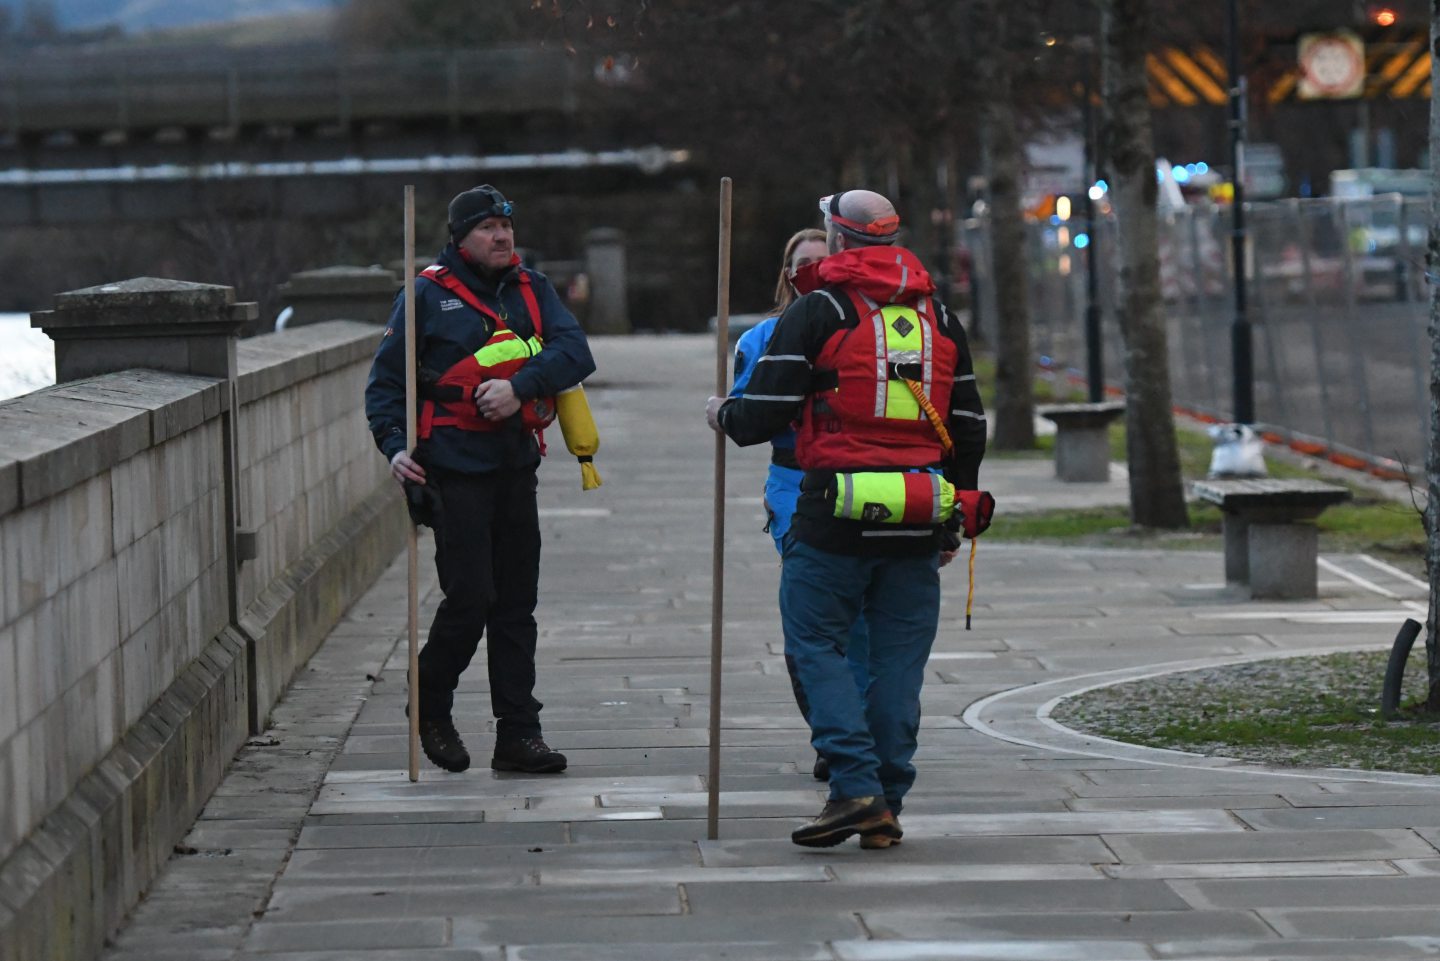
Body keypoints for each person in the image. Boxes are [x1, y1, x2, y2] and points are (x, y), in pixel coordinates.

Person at [707, 189, 987, 849]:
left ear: (836, 242)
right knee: (897, 660)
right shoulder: (940, 318)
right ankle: (886, 800)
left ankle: (856, 785)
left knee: (817, 643)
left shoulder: (817, 311)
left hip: (834, 510)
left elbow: (760, 416)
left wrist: (720, 411)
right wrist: (956, 510)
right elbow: (969, 427)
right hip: (920, 510)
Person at [365, 184, 595, 775]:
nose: (502, 237)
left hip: (515, 463)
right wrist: (393, 449)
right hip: (452, 466)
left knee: (517, 605)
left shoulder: (533, 289)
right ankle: (431, 699)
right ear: (460, 238)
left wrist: (520, 386)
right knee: (471, 599)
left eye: (506, 227)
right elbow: (385, 385)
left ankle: (519, 734)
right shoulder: (424, 295)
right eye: (488, 228)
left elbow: (575, 352)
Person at [730, 227, 867, 783]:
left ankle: (854, 731)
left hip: (864, 480)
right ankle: (832, 734)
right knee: (811, 618)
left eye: (821, 259)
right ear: (788, 275)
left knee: (860, 618)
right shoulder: (761, 338)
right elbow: (746, 409)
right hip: (794, 483)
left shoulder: (868, 330)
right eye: (800, 263)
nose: (809, 270)